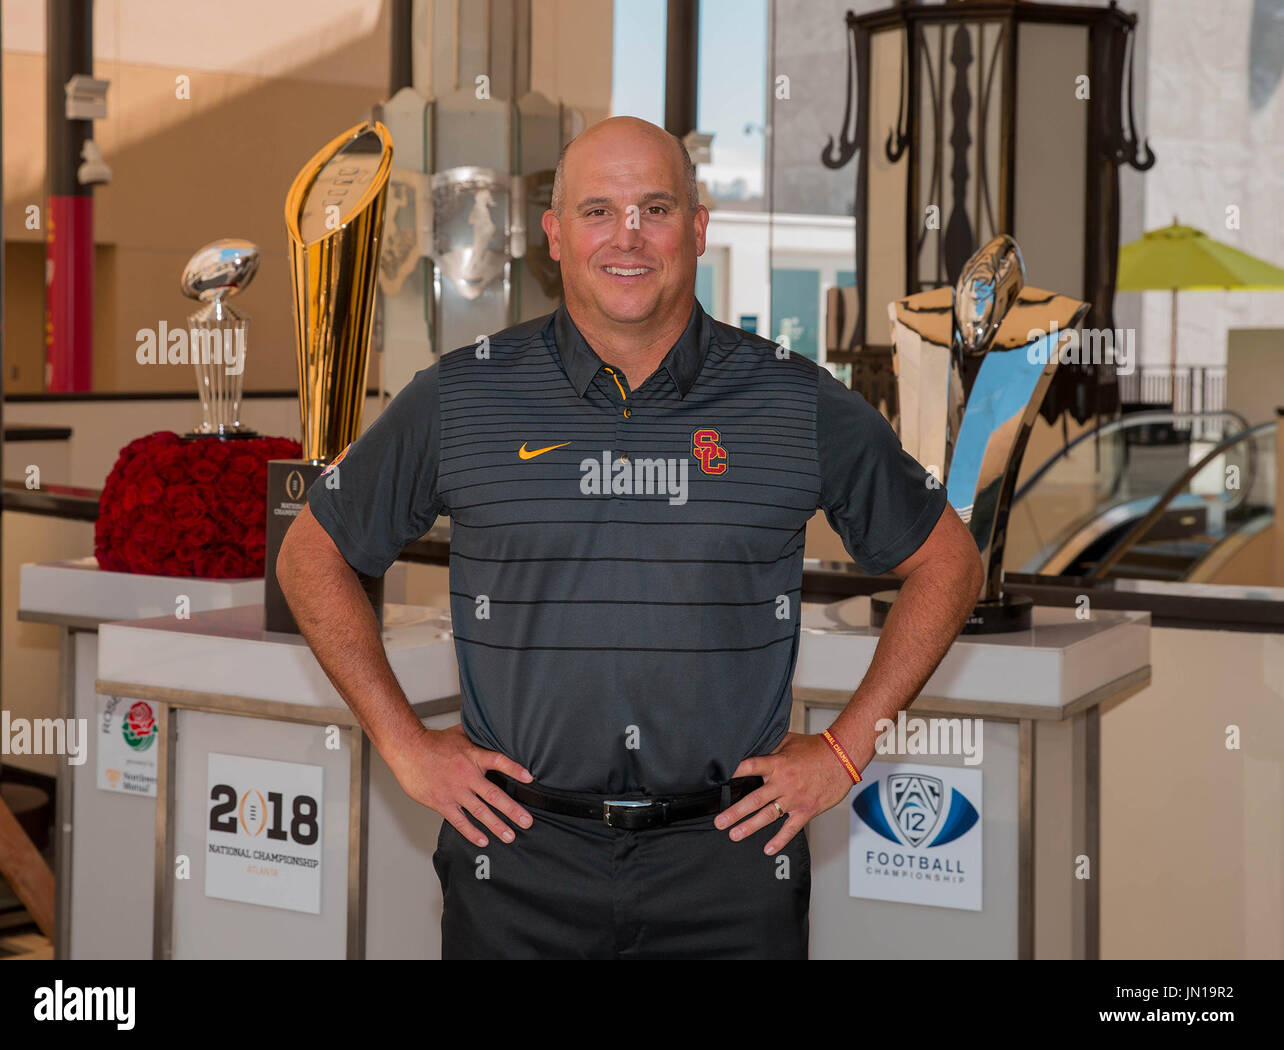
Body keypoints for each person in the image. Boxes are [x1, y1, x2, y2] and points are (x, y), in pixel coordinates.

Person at [278, 115, 983, 959]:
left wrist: (844, 748)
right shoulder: (462, 399)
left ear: (698, 225)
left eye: (655, 207)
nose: (629, 236)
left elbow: (948, 560)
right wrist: (403, 743)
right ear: (554, 234)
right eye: (598, 210)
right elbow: (310, 553)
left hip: (731, 865)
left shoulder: (793, 402)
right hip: (518, 865)